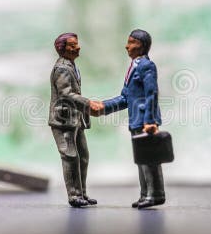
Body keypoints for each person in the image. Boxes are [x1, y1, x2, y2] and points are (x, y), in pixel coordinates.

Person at [90, 29, 165, 209]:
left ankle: (155, 195)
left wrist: (150, 121)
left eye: (131, 42)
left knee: (149, 160)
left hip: (145, 122)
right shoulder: (134, 67)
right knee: (141, 159)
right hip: (135, 120)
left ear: (142, 46)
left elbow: (152, 94)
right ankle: (145, 194)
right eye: (128, 41)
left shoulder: (147, 66)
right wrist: (104, 107)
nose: (127, 46)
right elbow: (125, 98)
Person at [49, 32, 96, 208]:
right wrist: (88, 104)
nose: (78, 47)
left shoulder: (71, 65)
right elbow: (66, 93)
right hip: (63, 120)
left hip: (75, 118)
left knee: (83, 156)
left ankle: (82, 192)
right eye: (73, 45)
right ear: (62, 49)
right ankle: (74, 195)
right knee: (70, 156)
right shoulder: (62, 68)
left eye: (77, 43)